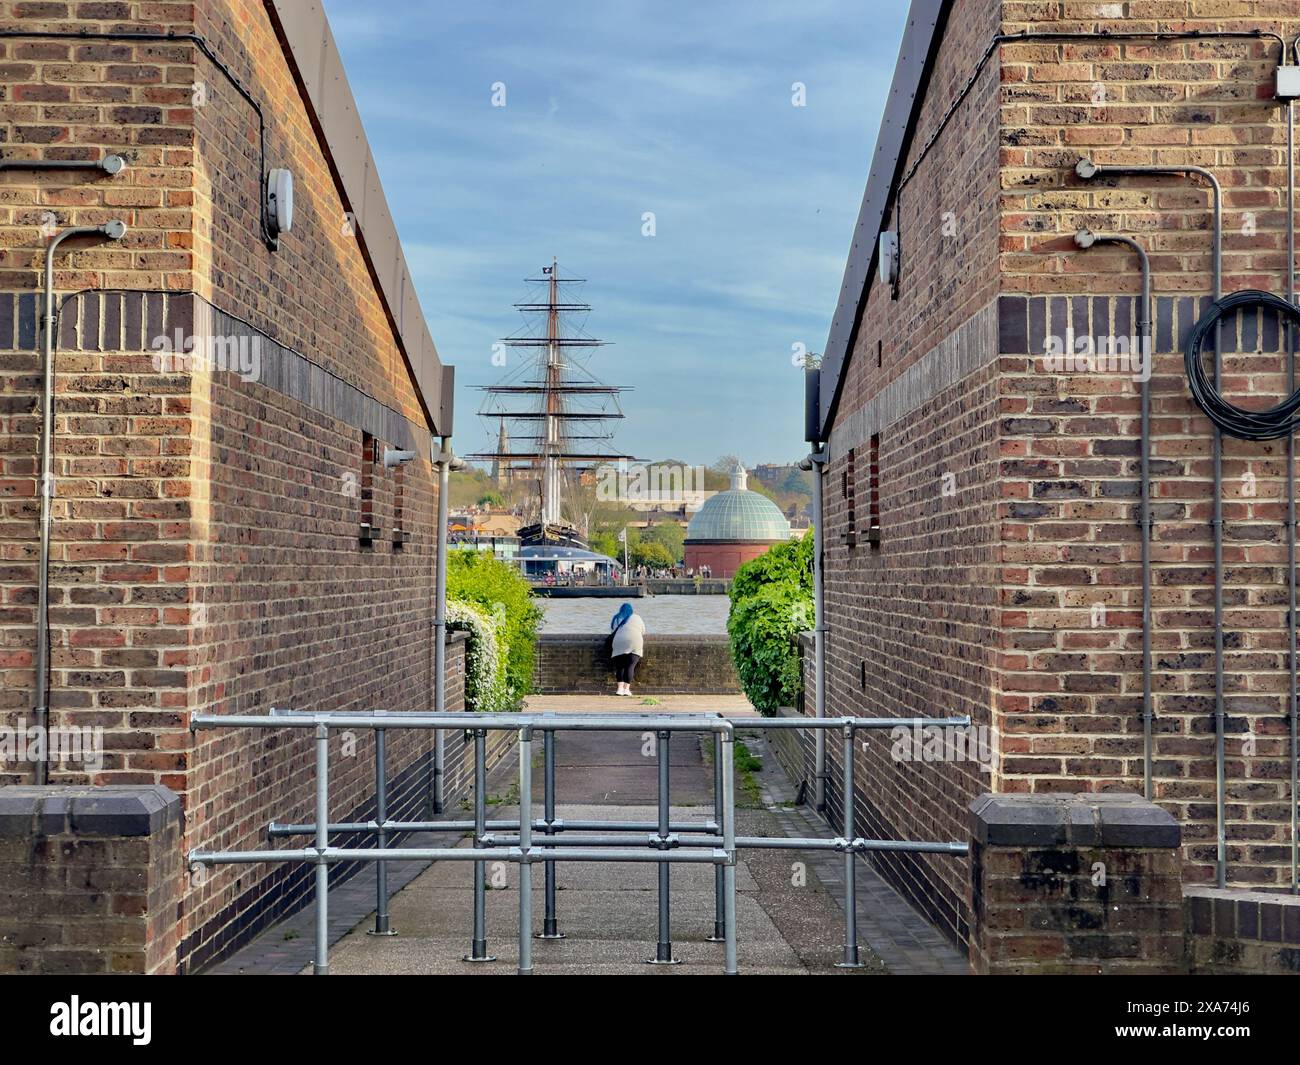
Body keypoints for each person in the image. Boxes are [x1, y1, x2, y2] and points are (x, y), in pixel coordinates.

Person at [609, 602, 646, 697]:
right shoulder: (637, 617)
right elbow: (643, 631)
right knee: (630, 666)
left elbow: (612, 631)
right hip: (634, 641)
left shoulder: (616, 617)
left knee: (620, 666)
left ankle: (619, 689)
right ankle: (626, 689)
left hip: (619, 642)